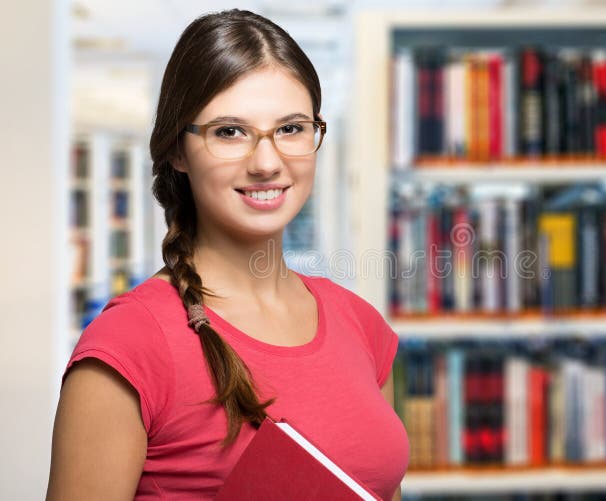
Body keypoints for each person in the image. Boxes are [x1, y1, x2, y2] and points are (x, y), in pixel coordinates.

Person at [46, 9, 409, 501]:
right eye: (229, 132)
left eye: (291, 128)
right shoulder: (127, 346)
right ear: (177, 150)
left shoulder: (360, 326)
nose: (266, 162)